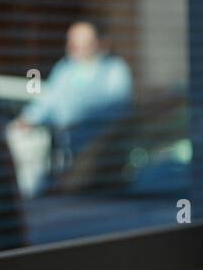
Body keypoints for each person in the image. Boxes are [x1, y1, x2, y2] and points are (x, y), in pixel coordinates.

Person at [11, 20, 133, 178]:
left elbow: (116, 107)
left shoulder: (114, 70)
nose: (76, 47)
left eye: (82, 42)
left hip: (101, 153)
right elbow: (47, 101)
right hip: (68, 153)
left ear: (97, 43)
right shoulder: (65, 69)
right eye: (73, 42)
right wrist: (26, 119)